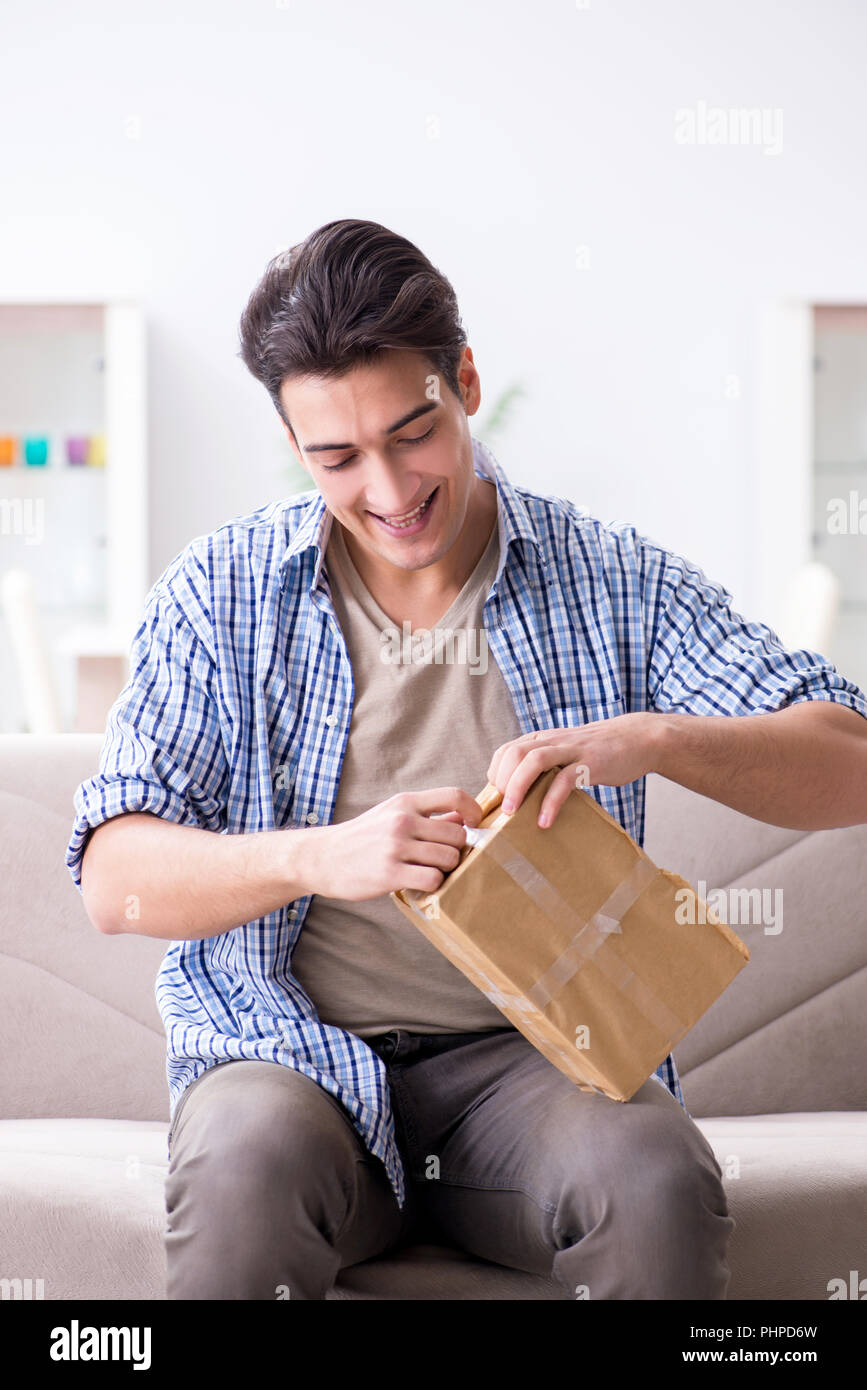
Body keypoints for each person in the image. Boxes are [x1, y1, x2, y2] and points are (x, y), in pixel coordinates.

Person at [66, 218, 867, 1301]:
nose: (390, 491)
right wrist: (319, 856)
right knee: (241, 1170)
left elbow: (849, 759)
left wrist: (650, 736)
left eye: (413, 433)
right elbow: (112, 875)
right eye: (338, 458)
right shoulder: (220, 593)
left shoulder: (611, 579)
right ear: (293, 443)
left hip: (534, 1063)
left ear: (467, 383)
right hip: (288, 1055)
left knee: (651, 1180)